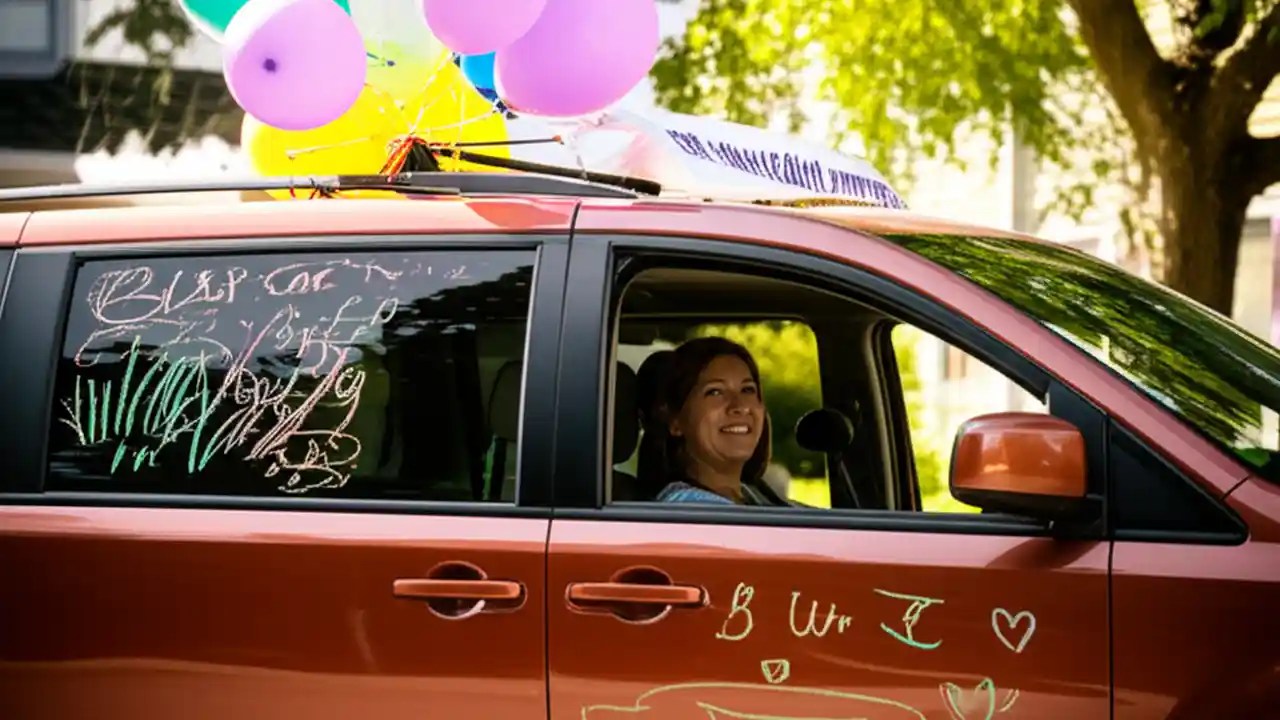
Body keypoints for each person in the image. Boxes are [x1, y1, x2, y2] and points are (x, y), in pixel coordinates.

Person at [640, 337, 789, 506]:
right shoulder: (690, 511)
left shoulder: (752, 493)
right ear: (676, 420)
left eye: (747, 390)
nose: (740, 406)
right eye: (715, 392)